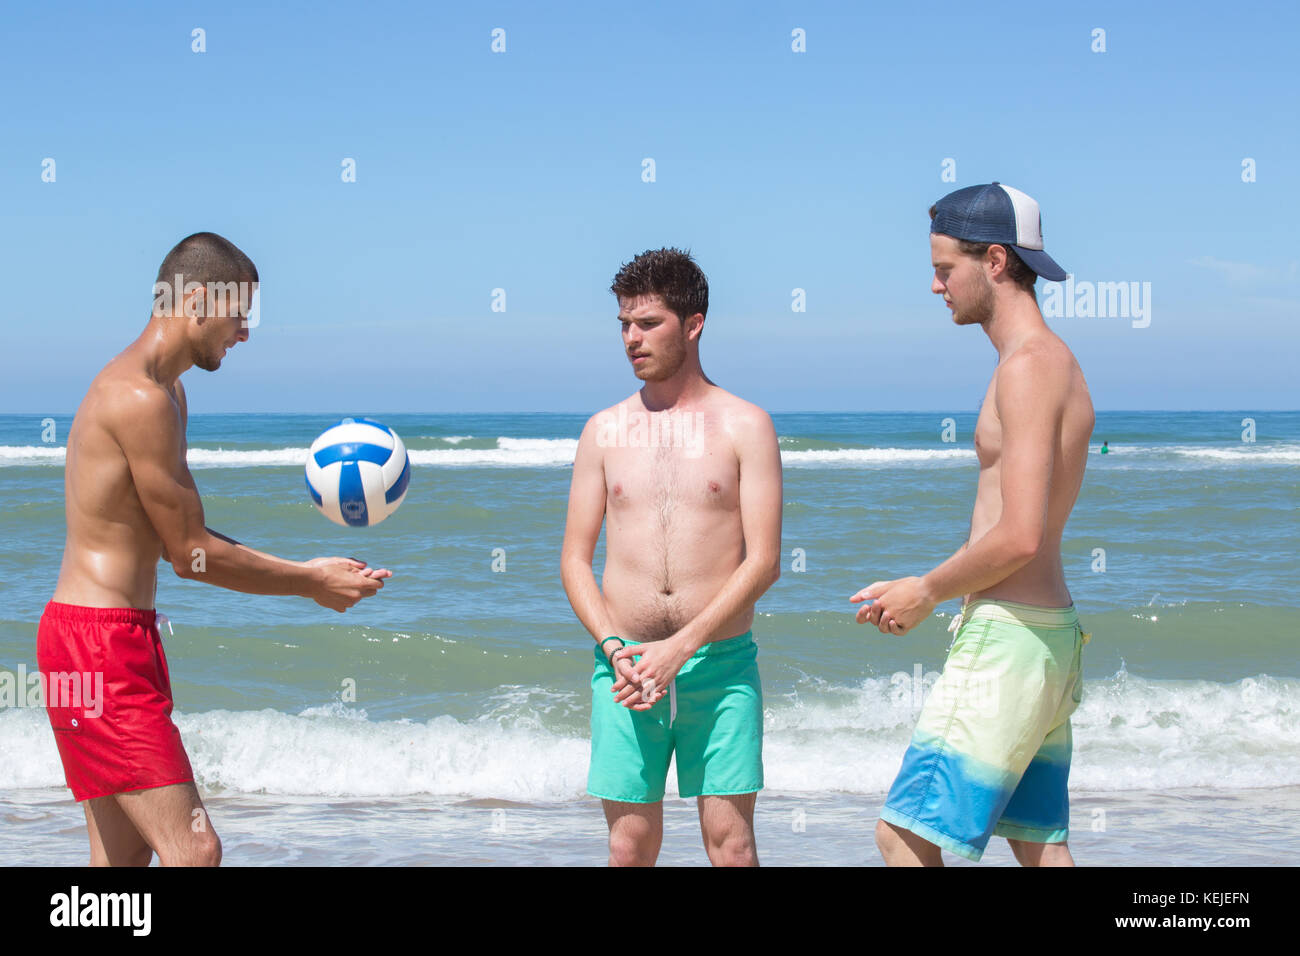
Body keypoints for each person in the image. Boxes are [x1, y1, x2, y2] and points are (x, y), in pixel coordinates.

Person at [38, 232, 391, 866]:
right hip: (95, 648)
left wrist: (306, 573)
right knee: (194, 850)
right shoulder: (139, 398)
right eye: (240, 316)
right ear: (199, 301)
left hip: (108, 637)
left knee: (122, 864)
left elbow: (184, 539)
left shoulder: (169, 392)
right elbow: (189, 554)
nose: (246, 333)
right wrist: (310, 581)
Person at [852, 184, 1094, 866]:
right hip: (1043, 638)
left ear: (993, 261)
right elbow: (1016, 525)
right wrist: (926, 585)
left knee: (904, 836)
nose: (935, 286)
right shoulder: (1050, 363)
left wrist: (928, 591)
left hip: (1010, 642)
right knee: (1037, 842)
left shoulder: (1028, 369)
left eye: (943, 269)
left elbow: (1019, 535)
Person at [561, 248, 783, 866]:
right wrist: (614, 648)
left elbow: (763, 561)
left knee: (731, 846)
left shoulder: (746, 425)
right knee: (630, 846)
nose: (632, 339)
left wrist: (680, 647)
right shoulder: (602, 431)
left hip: (720, 667)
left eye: (649, 323)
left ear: (694, 323)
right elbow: (575, 562)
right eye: (624, 325)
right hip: (626, 670)